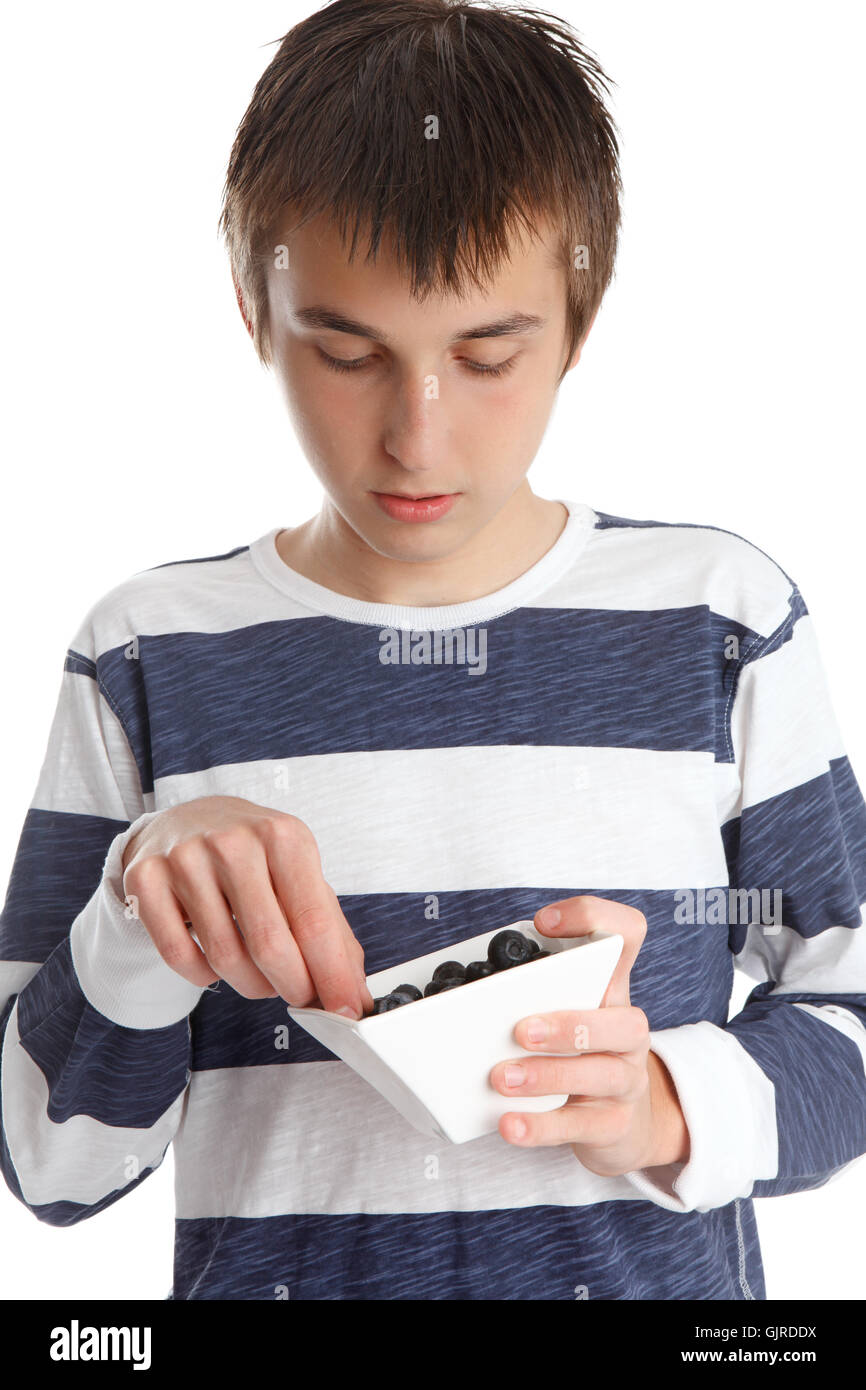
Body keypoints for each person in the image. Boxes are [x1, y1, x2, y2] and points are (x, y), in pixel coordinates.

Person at [1, 0, 865, 1301]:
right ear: (253, 307)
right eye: (345, 351)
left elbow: (847, 1012)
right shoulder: (145, 653)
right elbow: (48, 1161)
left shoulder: (718, 617)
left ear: (575, 316)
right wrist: (137, 913)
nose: (417, 437)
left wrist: (668, 1106)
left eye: (485, 353)